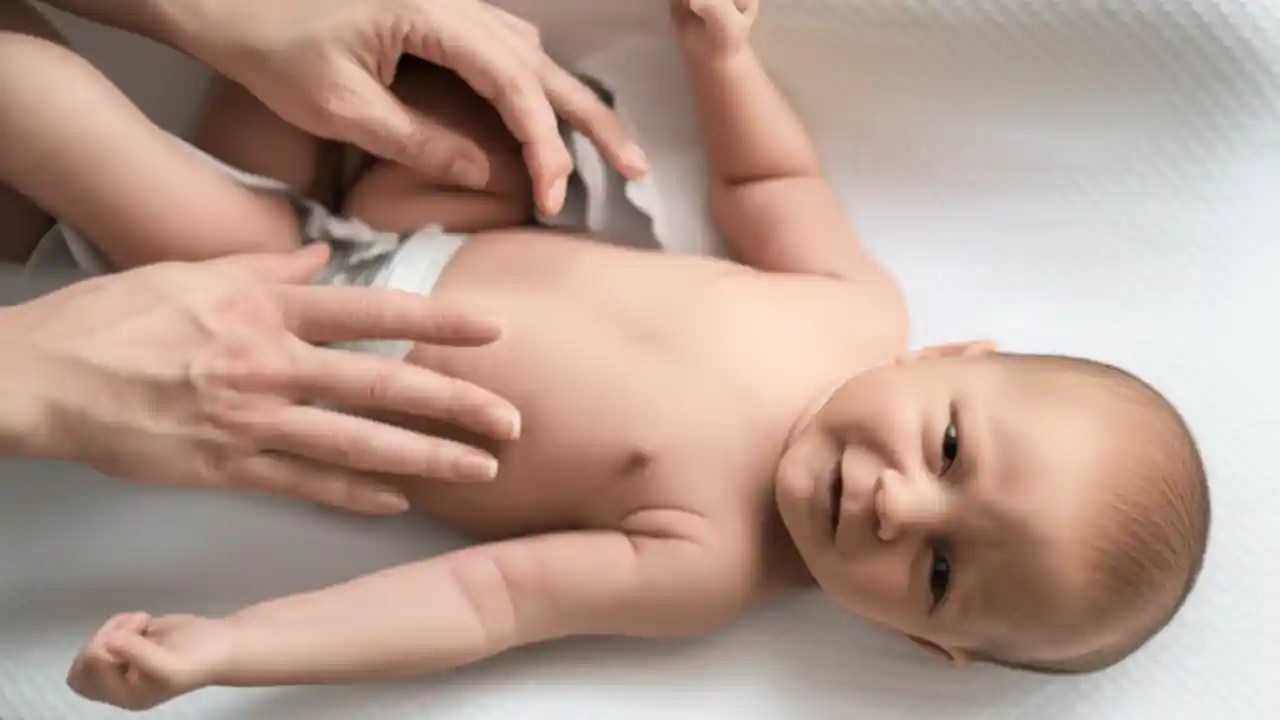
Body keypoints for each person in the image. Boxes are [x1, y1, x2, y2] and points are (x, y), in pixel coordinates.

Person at [0, 0, 1210, 711]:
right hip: (415, 207)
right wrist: (720, 59)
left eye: (940, 571)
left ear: (915, 643)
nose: (898, 504)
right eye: (948, 447)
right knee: (436, 76)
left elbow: (481, 603)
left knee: (34, 88)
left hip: (288, 308)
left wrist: (232, 649)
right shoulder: (851, 308)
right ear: (955, 353)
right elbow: (764, 179)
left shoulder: (706, 565)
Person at [0, 0, 647, 512]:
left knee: (31, 107)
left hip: (290, 301)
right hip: (363, 259)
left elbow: (495, 601)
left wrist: (224, 648)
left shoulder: (706, 551)